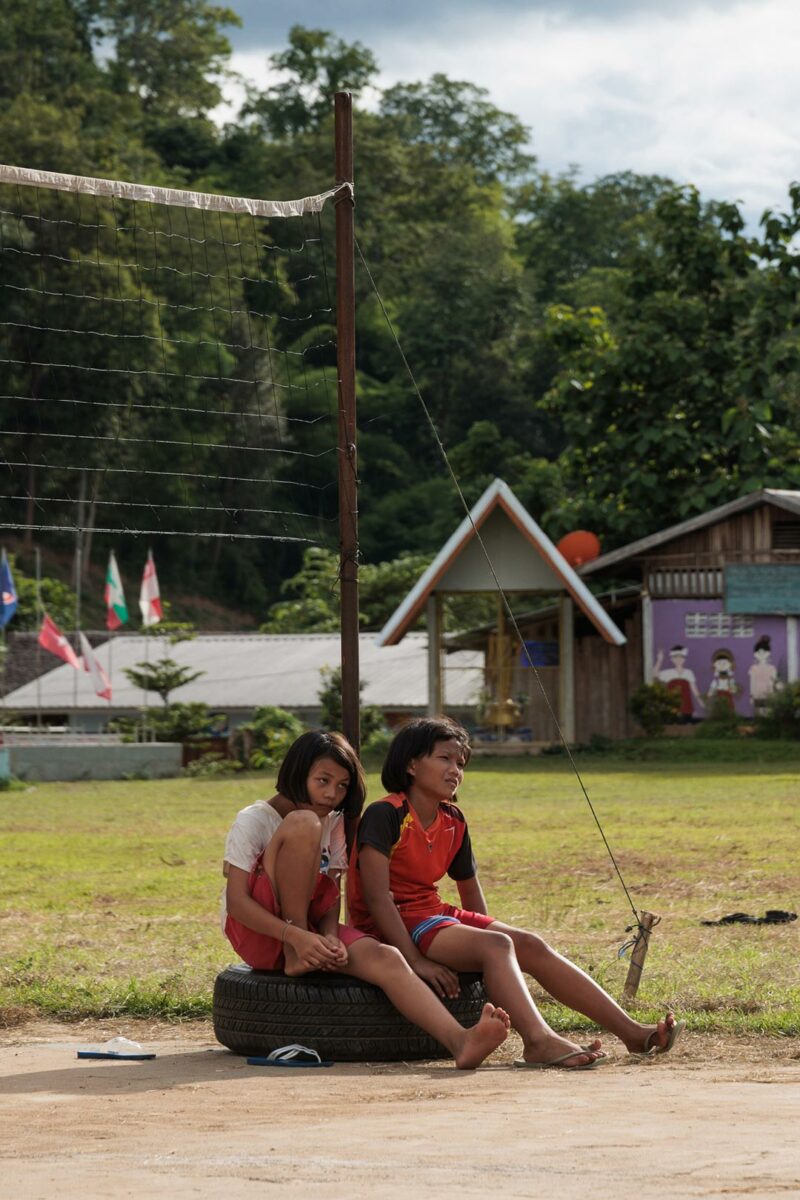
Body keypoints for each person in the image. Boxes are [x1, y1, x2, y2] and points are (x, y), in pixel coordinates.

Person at [347, 717, 684, 1070]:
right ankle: (538, 1041)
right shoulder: (386, 813)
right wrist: (416, 960)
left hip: (432, 915)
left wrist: (482, 949)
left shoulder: (454, 820)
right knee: (498, 946)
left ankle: (632, 1033)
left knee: (528, 943)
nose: (455, 770)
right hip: (393, 922)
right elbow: (375, 897)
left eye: (460, 763)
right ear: (411, 764)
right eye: (444, 759)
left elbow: (470, 894)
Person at [222, 729, 510, 1069]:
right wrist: (295, 937)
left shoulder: (334, 821)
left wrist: (329, 933)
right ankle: (295, 954)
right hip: (265, 933)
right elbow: (238, 904)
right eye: (323, 780)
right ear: (298, 773)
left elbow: (331, 889)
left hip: (311, 929)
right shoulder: (255, 819)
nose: (331, 794)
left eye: (342, 786)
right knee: (304, 823)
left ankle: (459, 1040)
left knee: (385, 957)